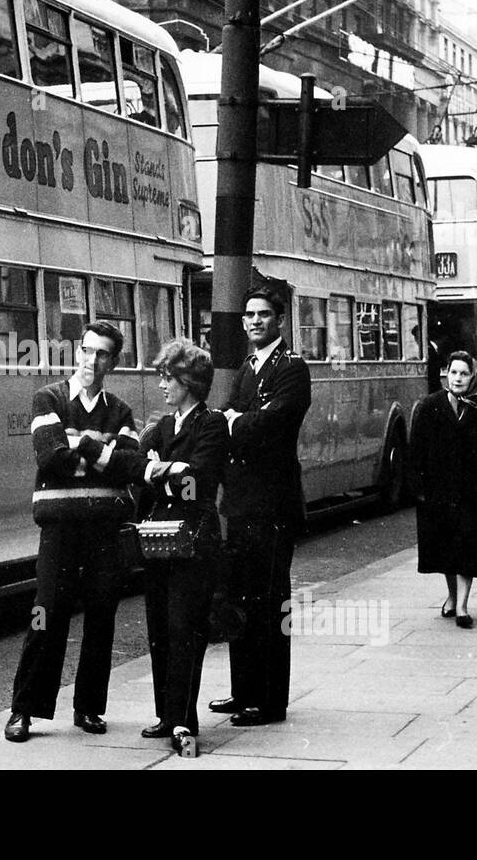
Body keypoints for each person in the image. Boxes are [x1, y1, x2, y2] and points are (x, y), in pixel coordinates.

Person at [5, 321, 143, 743]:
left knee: (102, 617)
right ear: (76, 352)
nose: (91, 360)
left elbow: (130, 464)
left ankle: (88, 709)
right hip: (61, 528)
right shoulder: (47, 398)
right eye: (86, 350)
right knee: (46, 613)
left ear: (113, 362)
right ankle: (23, 710)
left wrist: (79, 446)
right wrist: (98, 450)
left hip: (104, 529)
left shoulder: (120, 410)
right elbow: (50, 457)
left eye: (102, 354)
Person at [207, 284, 311, 727]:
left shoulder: (292, 368)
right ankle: (242, 690)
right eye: (248, 315)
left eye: (263, 315)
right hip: (241, 504)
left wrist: (237, 421)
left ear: (280, 320)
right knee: (240, 599)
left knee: (270, 603)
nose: (253, 321)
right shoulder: (248, 367)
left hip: (272, 505)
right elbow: (229, 417)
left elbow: (269, 423)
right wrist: (237, 420)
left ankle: (269, 701)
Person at [136, 340, 229, 755]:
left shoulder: (210, 424)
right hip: (159, 539)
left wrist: (161, 469)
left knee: (182, 628)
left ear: (189, 382)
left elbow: (200, 480)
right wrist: (164, 469)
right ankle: (166, 714)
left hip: (195, 540)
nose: (161, 386)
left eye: (167, 378)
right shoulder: (161, 426)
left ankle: (182, 720)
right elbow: (139, 469)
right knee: (159, 627)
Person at [409, 351, 477, 628]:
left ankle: (463, 607)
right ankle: (452, 597)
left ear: (473, 376)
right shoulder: (430, 406)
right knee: (446, 551)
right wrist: (418, 490)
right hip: (439, 495)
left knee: (468, 547)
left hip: (473, 495)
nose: (458, 378)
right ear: (446, 374)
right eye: (454, 372)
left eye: (464, 373)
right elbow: (416, 451)